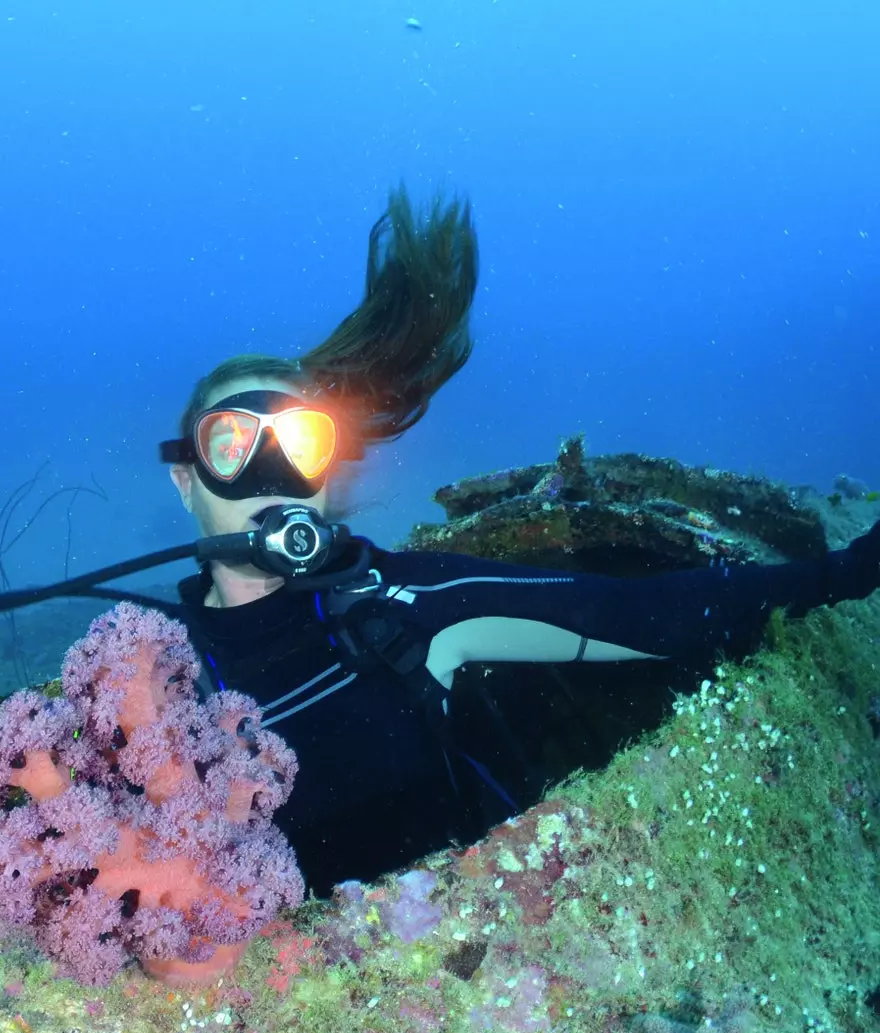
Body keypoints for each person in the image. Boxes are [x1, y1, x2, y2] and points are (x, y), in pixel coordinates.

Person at [161, 188, 880, 892]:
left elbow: (633, 615)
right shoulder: (149, 672)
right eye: (230, 443)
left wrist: (848, 570)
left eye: (301, 441)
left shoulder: (401, 604)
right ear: (185, 479)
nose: (271, 472)